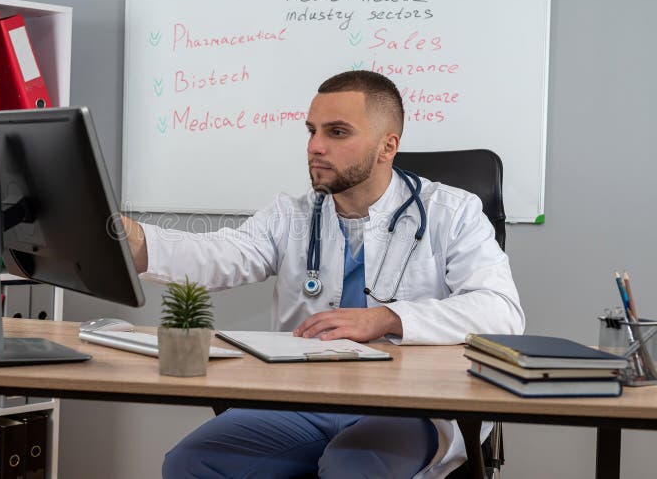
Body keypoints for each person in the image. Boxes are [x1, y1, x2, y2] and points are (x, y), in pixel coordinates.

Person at [119, 70, 525, 478]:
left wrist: (388, 318)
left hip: (411, 406)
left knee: (351, 466)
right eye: (312, 131)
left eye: (337, 132)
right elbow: (219, 254)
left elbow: (501, 310)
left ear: (388, 146)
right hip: (307, 398)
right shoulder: (292, 214)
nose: (315, 146)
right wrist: (129, 239)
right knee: (193, 463)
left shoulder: (451, 212)